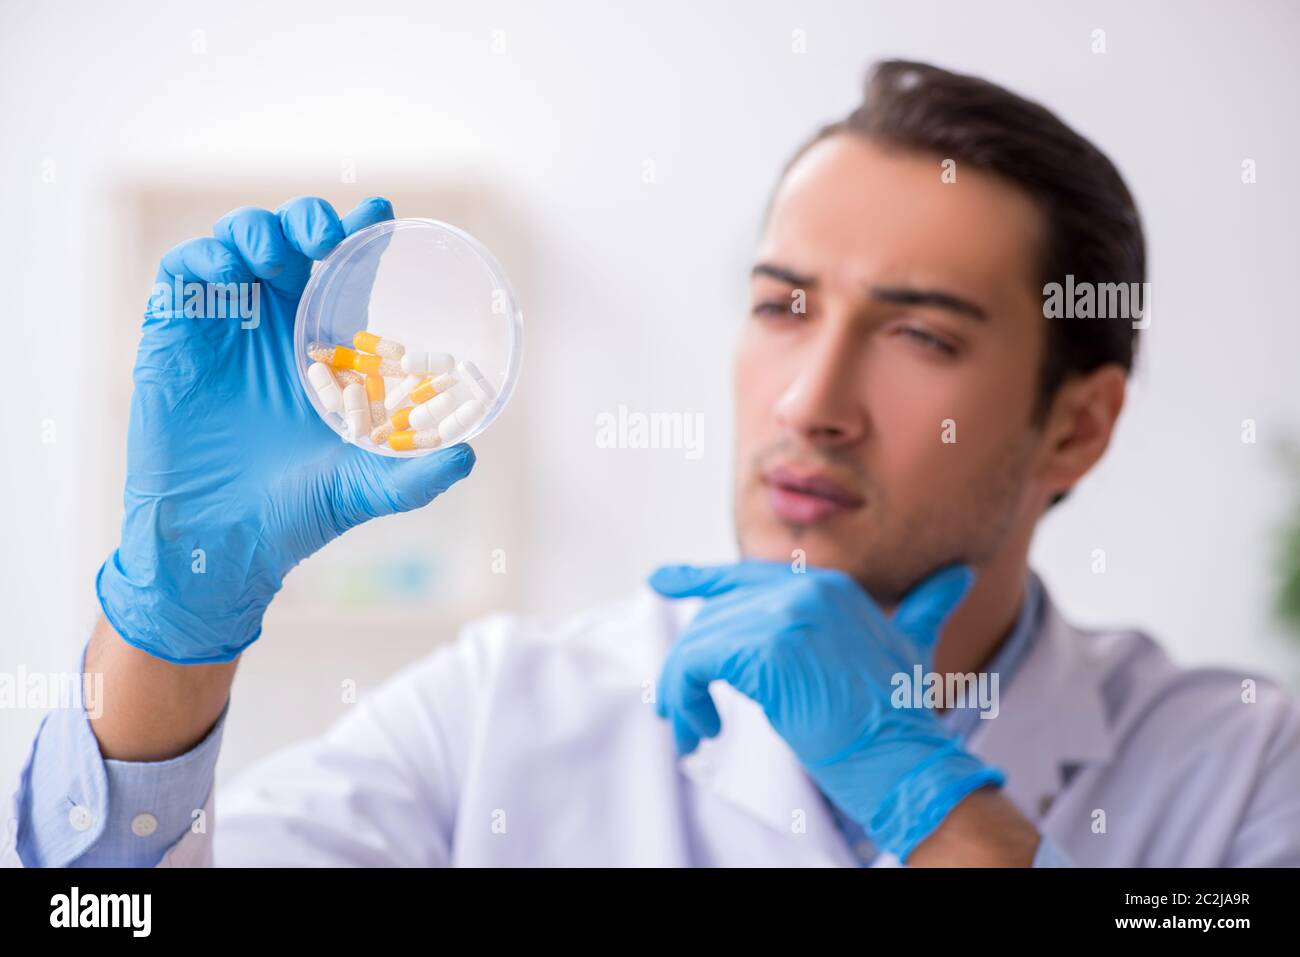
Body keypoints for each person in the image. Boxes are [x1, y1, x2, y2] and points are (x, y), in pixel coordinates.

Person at [5, 60, 1298, 868]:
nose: (810, 398)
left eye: (918, 332)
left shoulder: (1240, 769)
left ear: (1078, 423)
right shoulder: (495, 722)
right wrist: (171, 623)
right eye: (782, 305)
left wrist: (934, 803)